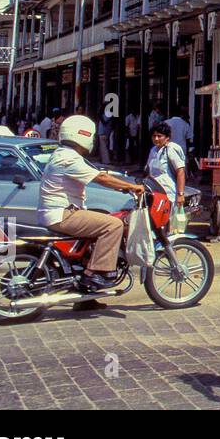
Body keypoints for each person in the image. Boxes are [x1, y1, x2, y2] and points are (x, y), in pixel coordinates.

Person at [37, 115, 145, 308]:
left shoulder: (64, 153)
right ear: (84, 135)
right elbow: (101, 178)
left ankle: (84, 297)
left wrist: (119, 183)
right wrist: (131, 187)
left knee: (100, 226)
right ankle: (97, 273)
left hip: (60, 212)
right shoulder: (68, 158)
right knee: (113, 225)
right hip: (63, 214)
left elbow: (99, 173)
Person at [145, 121, 187, 206]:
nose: (156, 139)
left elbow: (180, 171)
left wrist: (180, 194)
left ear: (167, 137)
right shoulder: (153, 150)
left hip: (169, 193)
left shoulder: (171, 149)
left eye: (159, 136)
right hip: (155, 192)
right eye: (154, 136)